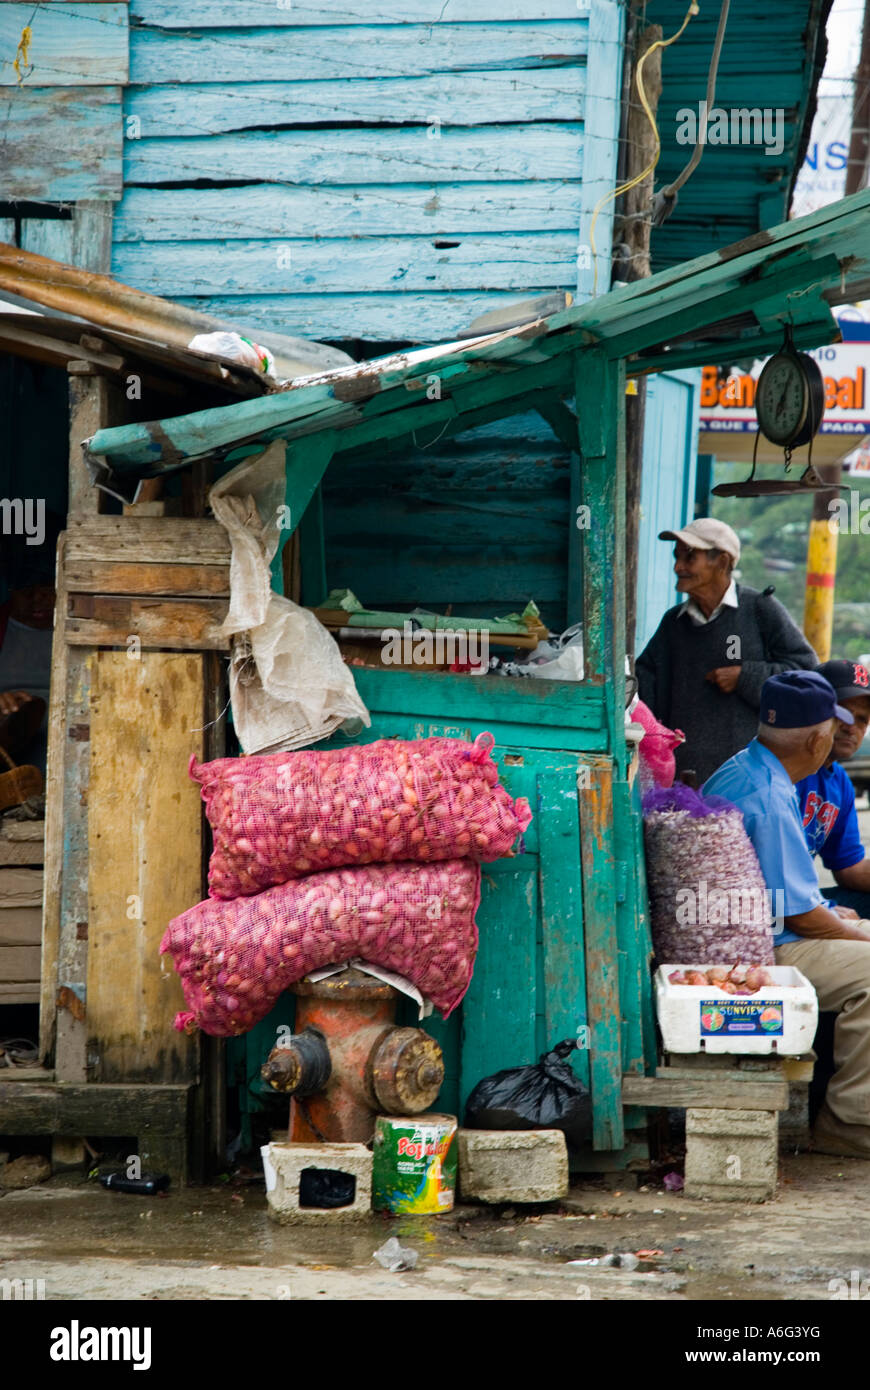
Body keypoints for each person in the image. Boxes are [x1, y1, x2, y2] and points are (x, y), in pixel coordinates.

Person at [703, 670, 870, 1158]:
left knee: (852, 924)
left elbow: (804, 904)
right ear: (818, 738)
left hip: (747, 931)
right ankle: (849, 1123)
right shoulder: (772, 798)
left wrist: (838, 920)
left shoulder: (748, 766)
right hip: (753, 948)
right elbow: (800, 917)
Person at [636, 517, 816, 785]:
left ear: (721, 562)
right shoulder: (674, 623)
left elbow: (805, 672)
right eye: (677, 557)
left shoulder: (759, 610)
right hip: (683, 781)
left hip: (746, 781)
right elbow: (643, 686)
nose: (678, 566)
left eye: (689, 558)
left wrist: (745, 677)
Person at [796, 659, 870, 920]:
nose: (852, 727)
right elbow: (764, 875)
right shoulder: (787, 767)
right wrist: (823, 912)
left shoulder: (839, 781)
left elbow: (849, 866)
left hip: (797, 899)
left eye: (862, 719)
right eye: (842, 712)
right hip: (758, 908)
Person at [0, 560, 55, 774]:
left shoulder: (89, 631)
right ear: (10, 590)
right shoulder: (3, 627)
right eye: (26, 589)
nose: (37, 598)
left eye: (48, 588)